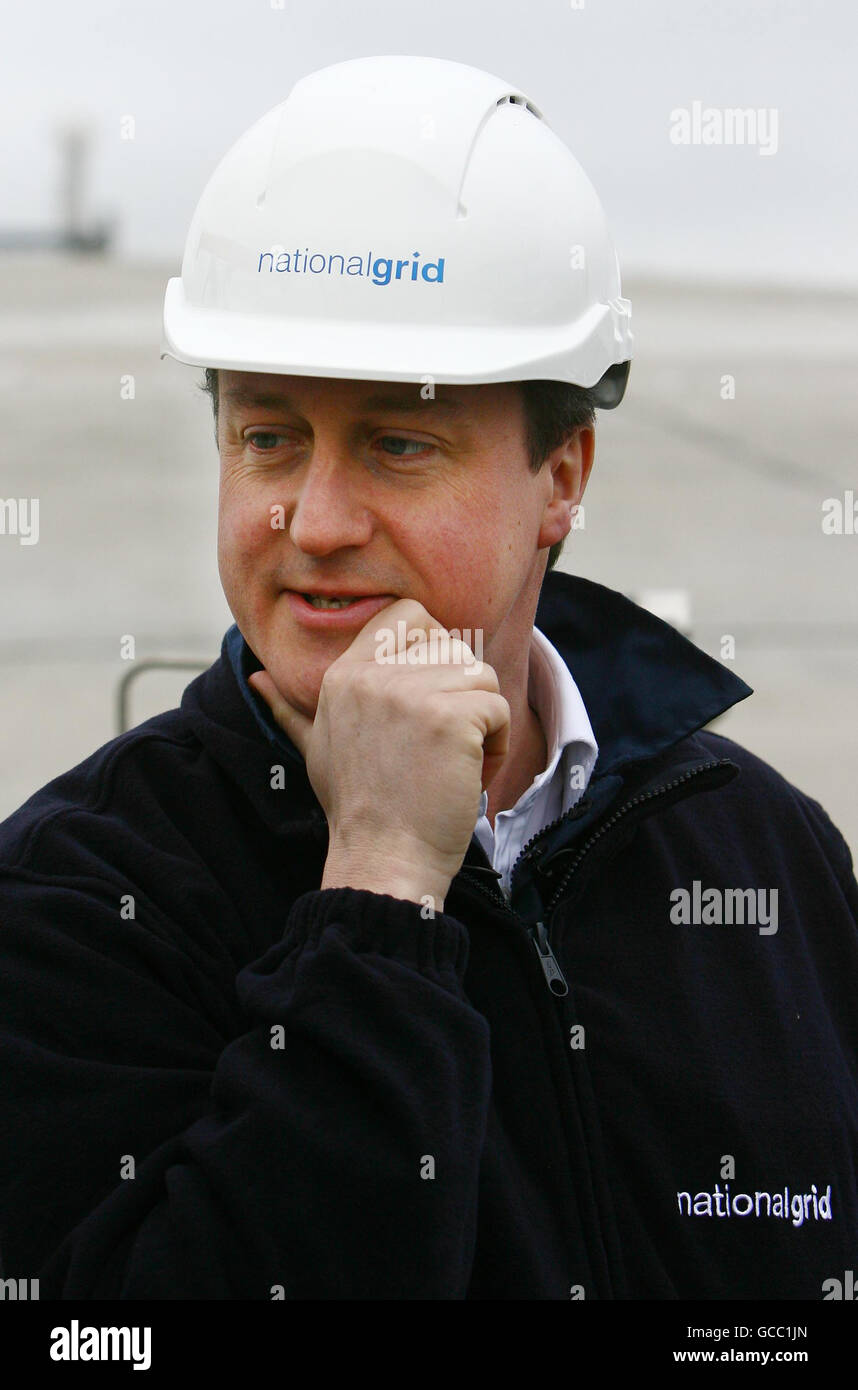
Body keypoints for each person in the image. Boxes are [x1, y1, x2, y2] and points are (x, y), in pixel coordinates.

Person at [1, 55, 856, 1302]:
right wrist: (381, 895)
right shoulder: (73, 906)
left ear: (563, 475)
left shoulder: (762, 855)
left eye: (400, 443)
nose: (318, 519)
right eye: (269, 435)